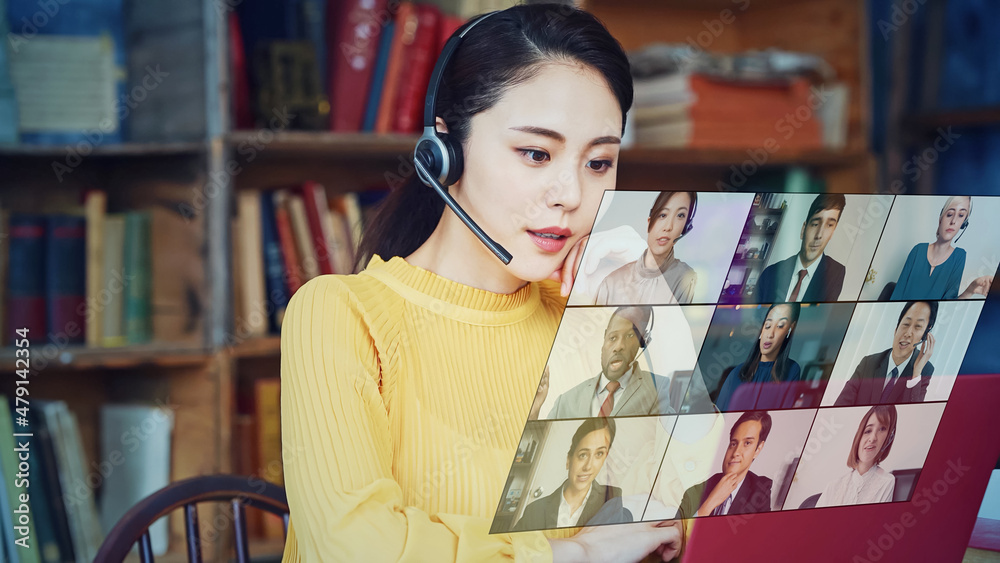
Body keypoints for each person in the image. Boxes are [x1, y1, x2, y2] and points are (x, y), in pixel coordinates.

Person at [279, 5, 682, 563]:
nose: (570, 193)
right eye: (536, 153)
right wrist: (574, 555)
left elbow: (664, 513)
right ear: (445, 149)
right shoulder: (339, 315)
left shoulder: (590, 317)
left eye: (598, 162)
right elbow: (357, 546)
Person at [538, 306, 675, 419]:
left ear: (643, 341)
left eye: (630, 336)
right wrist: (534, 411)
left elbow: (665, 441)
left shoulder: (657, 389)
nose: (618, 346)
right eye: (613, 337)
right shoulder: (566, 401)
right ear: (604, 340)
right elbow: (540, 440)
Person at [513, 418, 633, 531]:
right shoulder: (534, 510)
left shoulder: (612, 499)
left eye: (599, 454)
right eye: (583, 455)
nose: (588, 466)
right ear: (568, 460)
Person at [595, 191, 698, 305]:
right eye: (663, 215)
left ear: (685, 228)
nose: (668, 227)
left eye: (680, 215)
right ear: (649, 223)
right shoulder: (611, 282)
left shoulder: (685, 277)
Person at [889, 196, 994, 300]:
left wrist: (971, 289)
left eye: (961, 215)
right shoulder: (918, 250)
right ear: (941, 219)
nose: (953, 221)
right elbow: (896, 296)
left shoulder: (959, 256)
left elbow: (949, 305)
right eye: (949, 214)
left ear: (963, 224)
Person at [834, 301, 936, 406]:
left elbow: (911, 416)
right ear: (896, 329)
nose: (908, 333)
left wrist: (916, 374)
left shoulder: (924, 371)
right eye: (906, 324)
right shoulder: (868, 363)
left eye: (918, 326)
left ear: (924, 337)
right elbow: (839, 407)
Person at [676, 411, 773, 518]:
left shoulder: (760, 491)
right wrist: (709, 505)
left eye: (747, 443)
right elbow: (678, 533)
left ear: (758, 449)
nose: (736, 452)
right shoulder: (693, 493)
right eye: (733, 444)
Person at [755, 194, 847, 303]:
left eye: (829, 225)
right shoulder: (770, 273)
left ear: (832, 233)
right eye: (815, 224)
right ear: (803, 229)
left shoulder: (835, 272)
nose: (819, 235)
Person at [714, 303, 802, 412]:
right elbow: (718, 419)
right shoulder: (736, 374)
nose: (770, 334)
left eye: (780, 326)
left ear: (789, 330)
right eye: (768, 325)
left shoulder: (792, 370)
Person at [816, 405, 897, 507]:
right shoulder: (833, 486)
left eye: (882, 429)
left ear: (889, 437)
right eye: (868, 431)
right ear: (859, 437)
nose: (872, 438)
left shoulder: (886, 482)